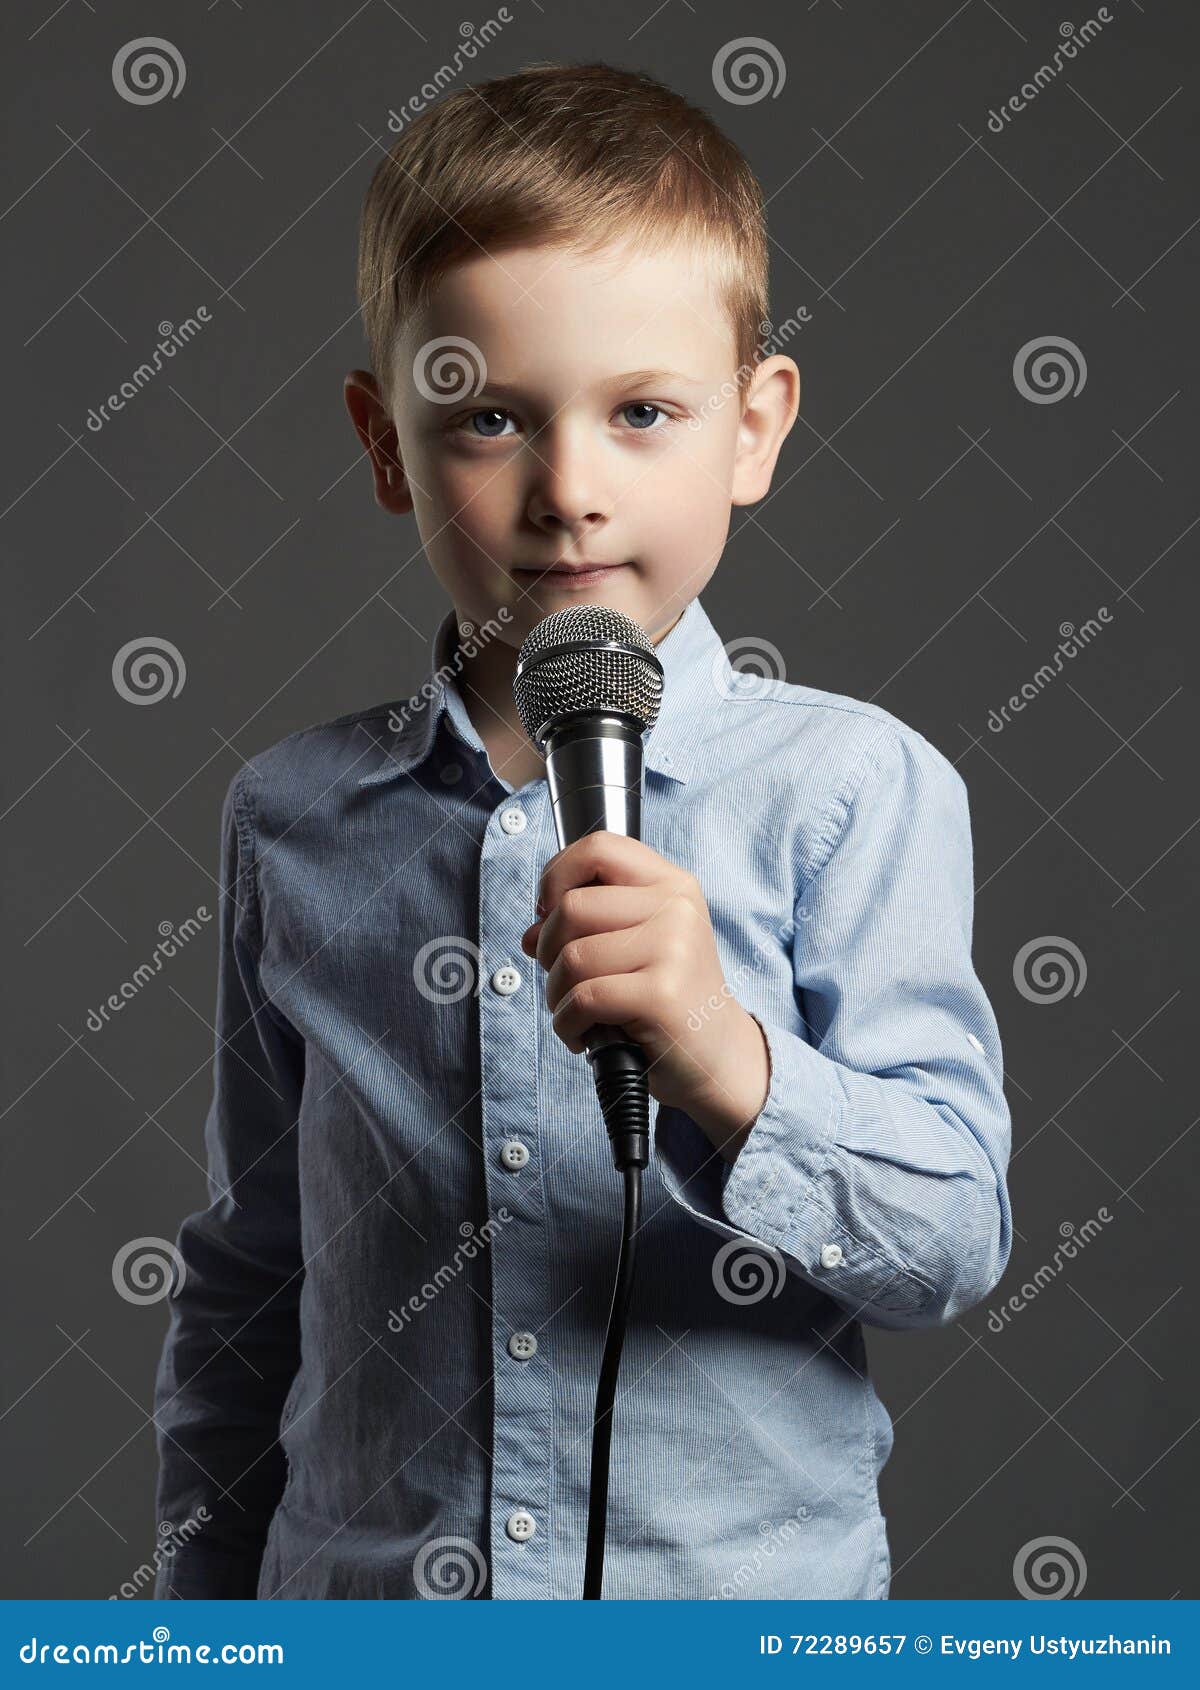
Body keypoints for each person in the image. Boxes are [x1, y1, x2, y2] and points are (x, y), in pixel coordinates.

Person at [152, 61, 1012, 1601]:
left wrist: (724, 1059)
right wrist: (199, 1613)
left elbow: (950, 1231)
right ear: (384, 441)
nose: (568, 492)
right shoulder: (292, 820)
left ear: (752, 430)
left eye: (643, 413)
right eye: (488, 416)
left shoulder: (852, 789)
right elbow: (250, 1268)